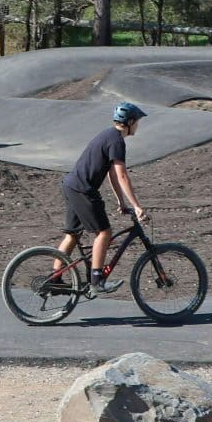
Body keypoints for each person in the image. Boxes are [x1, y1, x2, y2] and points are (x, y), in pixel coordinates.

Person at [52, 102, 149, 292]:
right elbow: (122, 175)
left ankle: (54, 279)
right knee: (104, 233)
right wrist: (137, 206)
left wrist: (121, 201)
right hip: (83, 189)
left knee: (72, 235)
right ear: (129, 122)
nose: (138, 125)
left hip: (71, 185)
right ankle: (97, 281)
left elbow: (112, 174)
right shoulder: (116, 141)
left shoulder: (109, 135)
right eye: (137, 121)